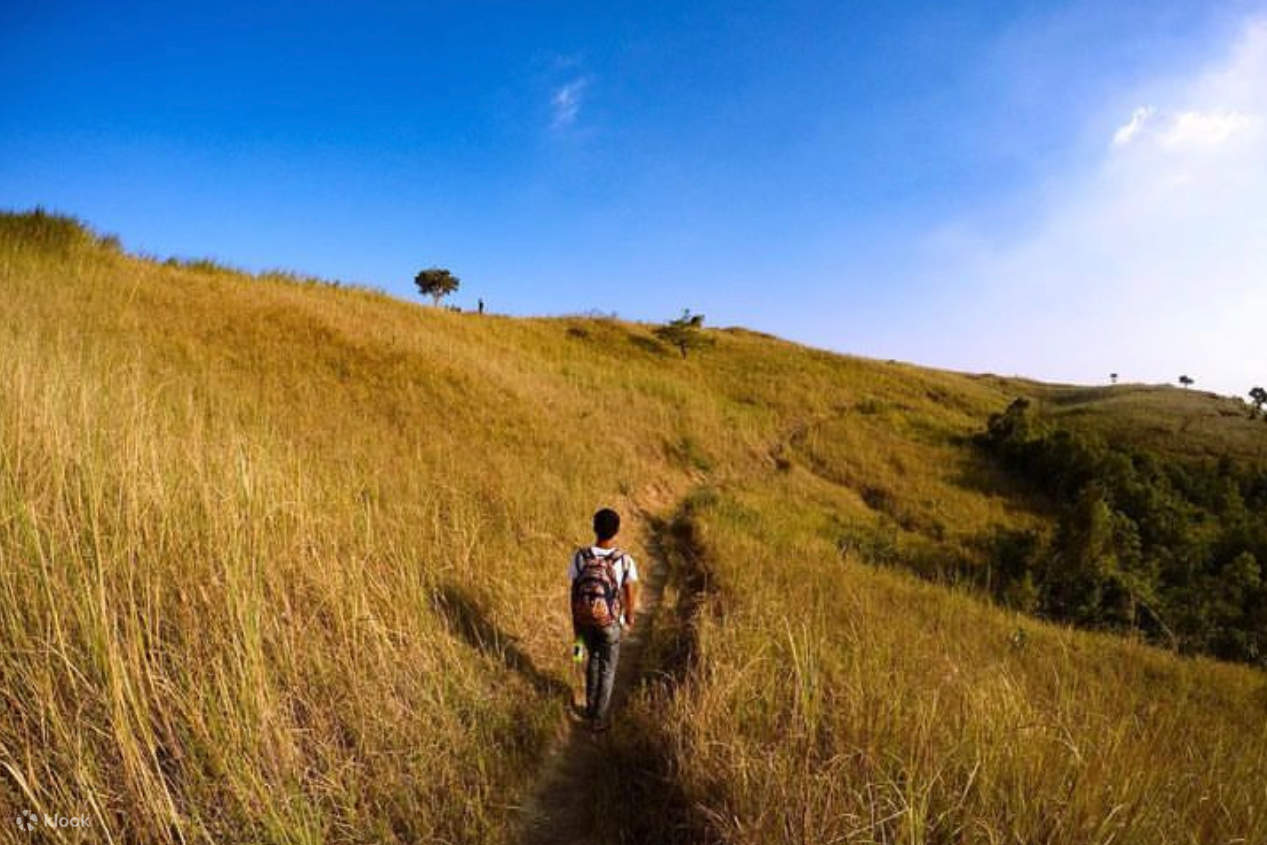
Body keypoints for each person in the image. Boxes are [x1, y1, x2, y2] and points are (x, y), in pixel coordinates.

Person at [568, 508, 638, 731]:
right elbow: (629, 591)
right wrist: (629, 616)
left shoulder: (581, 556)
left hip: (585, 621)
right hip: (609, 623)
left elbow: (574, 590)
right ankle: (598, 718)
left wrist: (576, 620)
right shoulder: (624, 560)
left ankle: (590, 707)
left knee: (593, 659)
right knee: (608, 668)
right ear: (617, 531)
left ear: (594, 528)